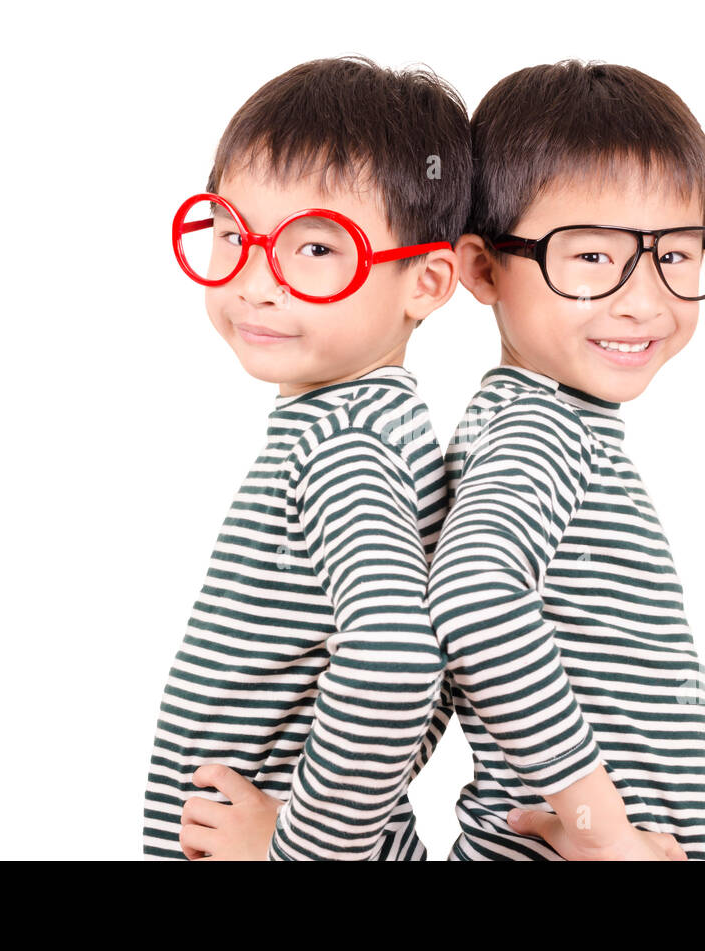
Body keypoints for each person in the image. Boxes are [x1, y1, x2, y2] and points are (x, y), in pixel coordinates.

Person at [142, 56, 468, 861]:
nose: (255, 280)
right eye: (232, 234)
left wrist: (293, 843)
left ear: (424, 282)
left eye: (315, 249)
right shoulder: (361, 425)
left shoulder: (345, 446)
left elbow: (394, 660)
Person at [427, 59, 705, 861]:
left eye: (676, 253)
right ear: (484, 268)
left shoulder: (546, 424)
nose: (646, 298)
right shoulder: (540, 431)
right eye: (592, 258)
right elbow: (470, 598)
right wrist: (602, 829)